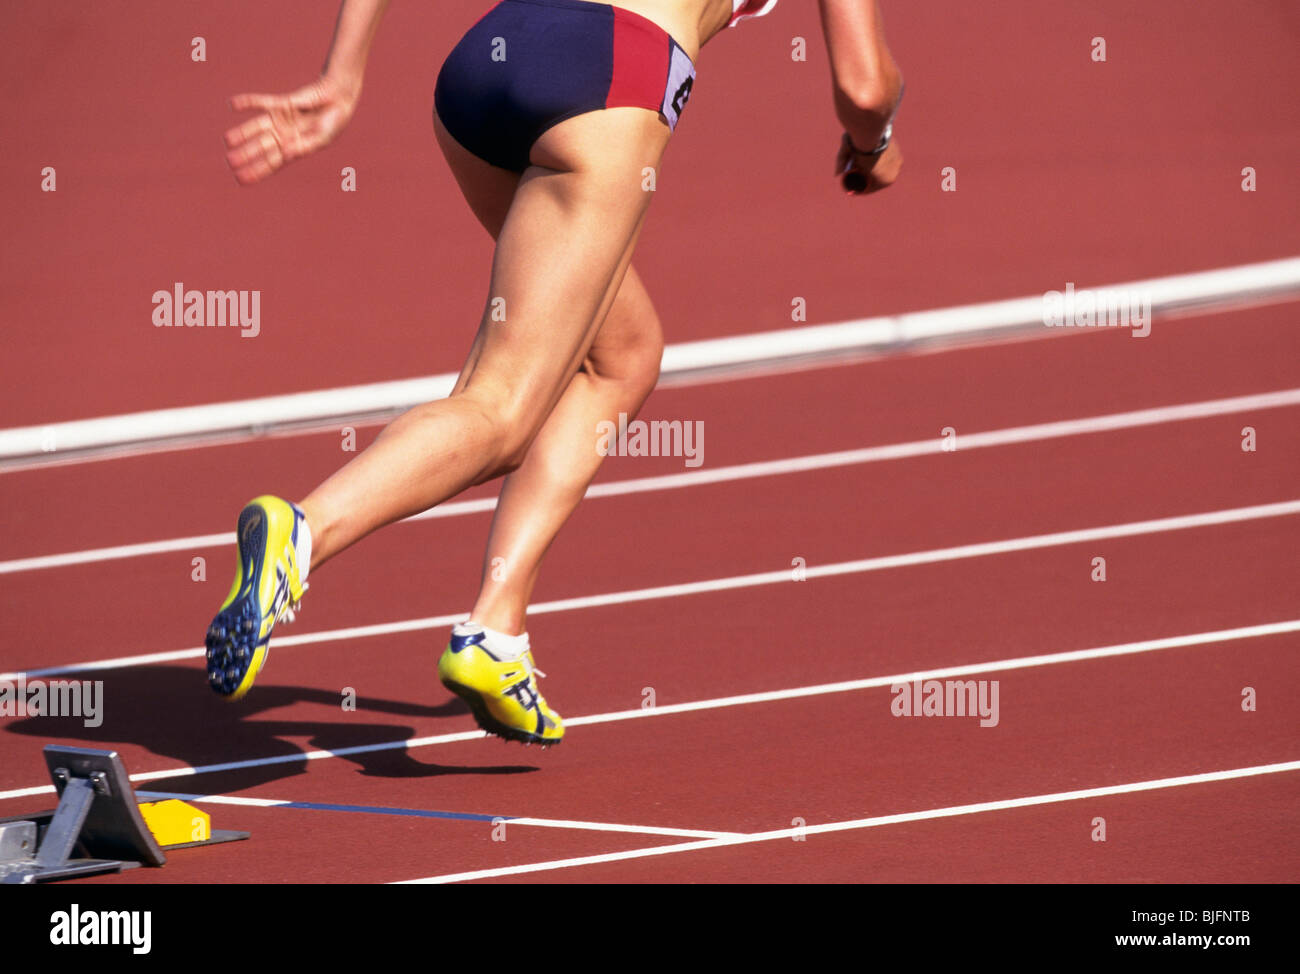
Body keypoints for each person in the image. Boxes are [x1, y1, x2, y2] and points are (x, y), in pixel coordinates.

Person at [208, 0, 904, 746]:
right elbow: (864, 86)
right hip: (612, 74)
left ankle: (495, 633)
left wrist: (341, 78)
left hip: (486, 70)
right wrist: (875, 146)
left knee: (623, 357)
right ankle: (303, 533)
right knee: (503, 412)